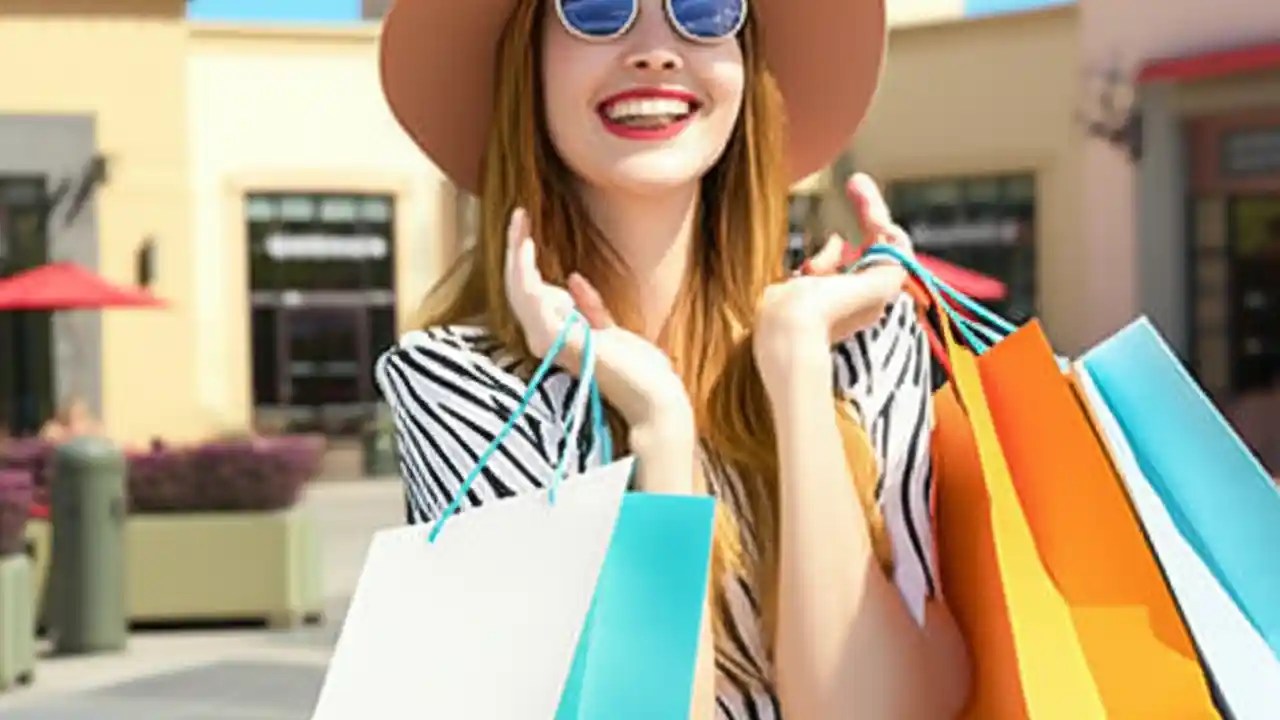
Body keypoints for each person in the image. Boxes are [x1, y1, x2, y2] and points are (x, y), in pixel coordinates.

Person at [373, 0, 970, 717]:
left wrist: (795, 363)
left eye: (705, 9)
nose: (655, 49)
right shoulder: (459, 385)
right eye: (595, 8)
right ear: (526, 61)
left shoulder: (856, 343)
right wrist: (660, 425)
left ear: (747, 65)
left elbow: (872, 711)